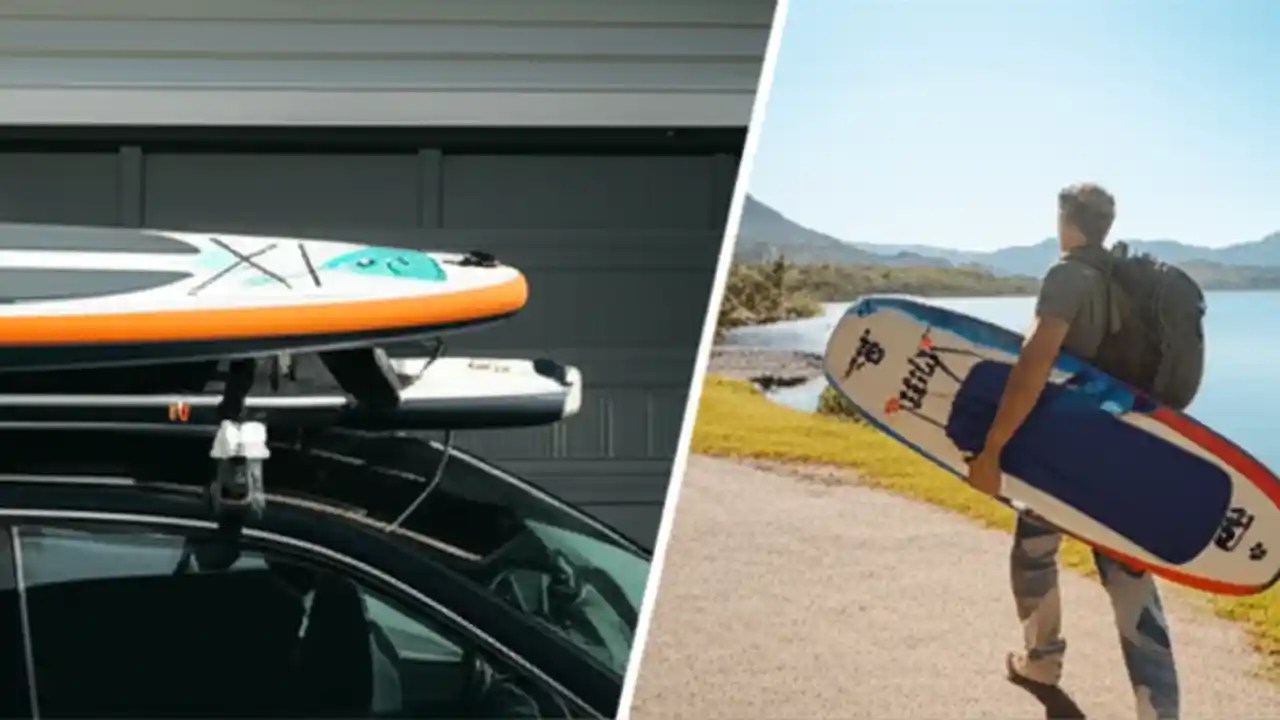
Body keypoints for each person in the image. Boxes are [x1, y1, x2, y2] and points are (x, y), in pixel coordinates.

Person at [965, 183, 1179, 720]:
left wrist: (992, 450)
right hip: (1129, 451)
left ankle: (1041, 662)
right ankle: (1160, 713)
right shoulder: (1127, 280)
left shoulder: (1068, 275)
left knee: (1033, 554)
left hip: (1066, 460)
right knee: (1129, 581)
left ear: (1066, 220)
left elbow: (1033, 365)